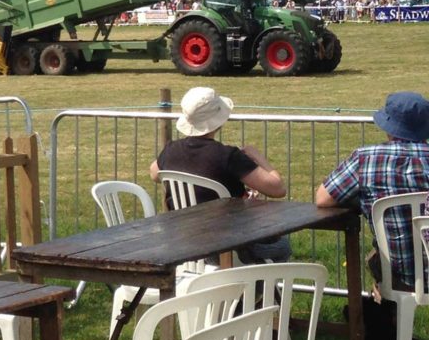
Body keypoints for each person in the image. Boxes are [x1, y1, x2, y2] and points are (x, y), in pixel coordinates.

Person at [149, 87, 289, 263]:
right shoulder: (228, 156)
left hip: (181, 244)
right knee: (282, 246)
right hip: (227, 246)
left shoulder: (170, 150)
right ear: (218, 121)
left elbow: (155, 173)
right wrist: (258, 157)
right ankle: (255, 289)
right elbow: (277, 188)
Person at [316, 91, 429, 292]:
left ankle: (388, 316)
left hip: (400, 274)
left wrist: (361, 198)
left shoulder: (366, 158)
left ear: (388, 127)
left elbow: (323, 198)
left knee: (376, 259)